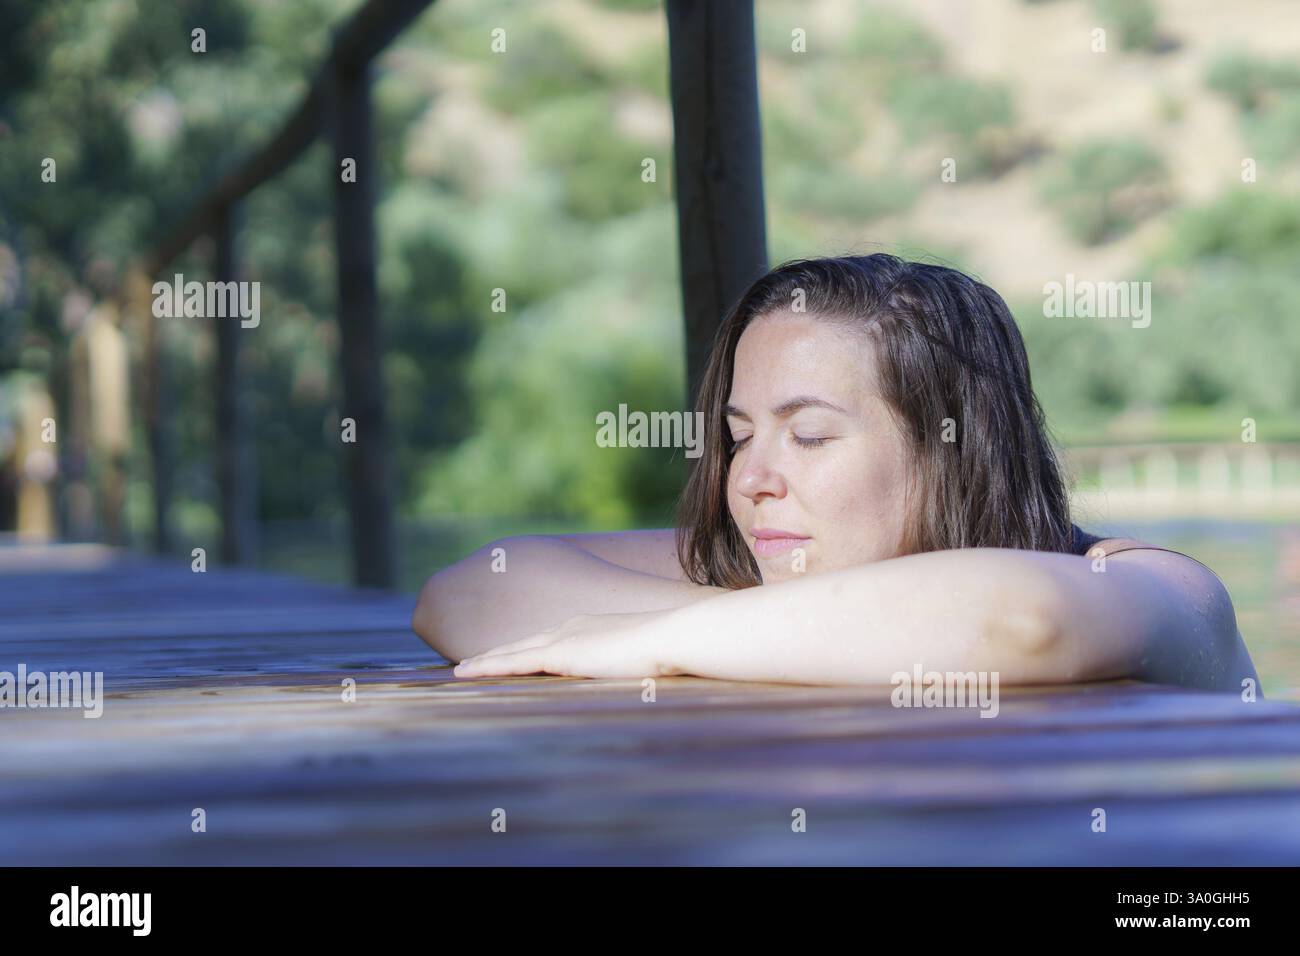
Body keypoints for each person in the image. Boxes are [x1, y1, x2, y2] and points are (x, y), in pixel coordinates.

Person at [413, 254, 1261, 693]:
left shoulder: (1159, 586)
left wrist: (657, 640)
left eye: (809, 436)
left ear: (951, 445)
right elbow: (466, 592)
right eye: (740, 437)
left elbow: (1026, 620)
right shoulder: (781, 563)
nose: (749, 481)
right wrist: (756, 622)